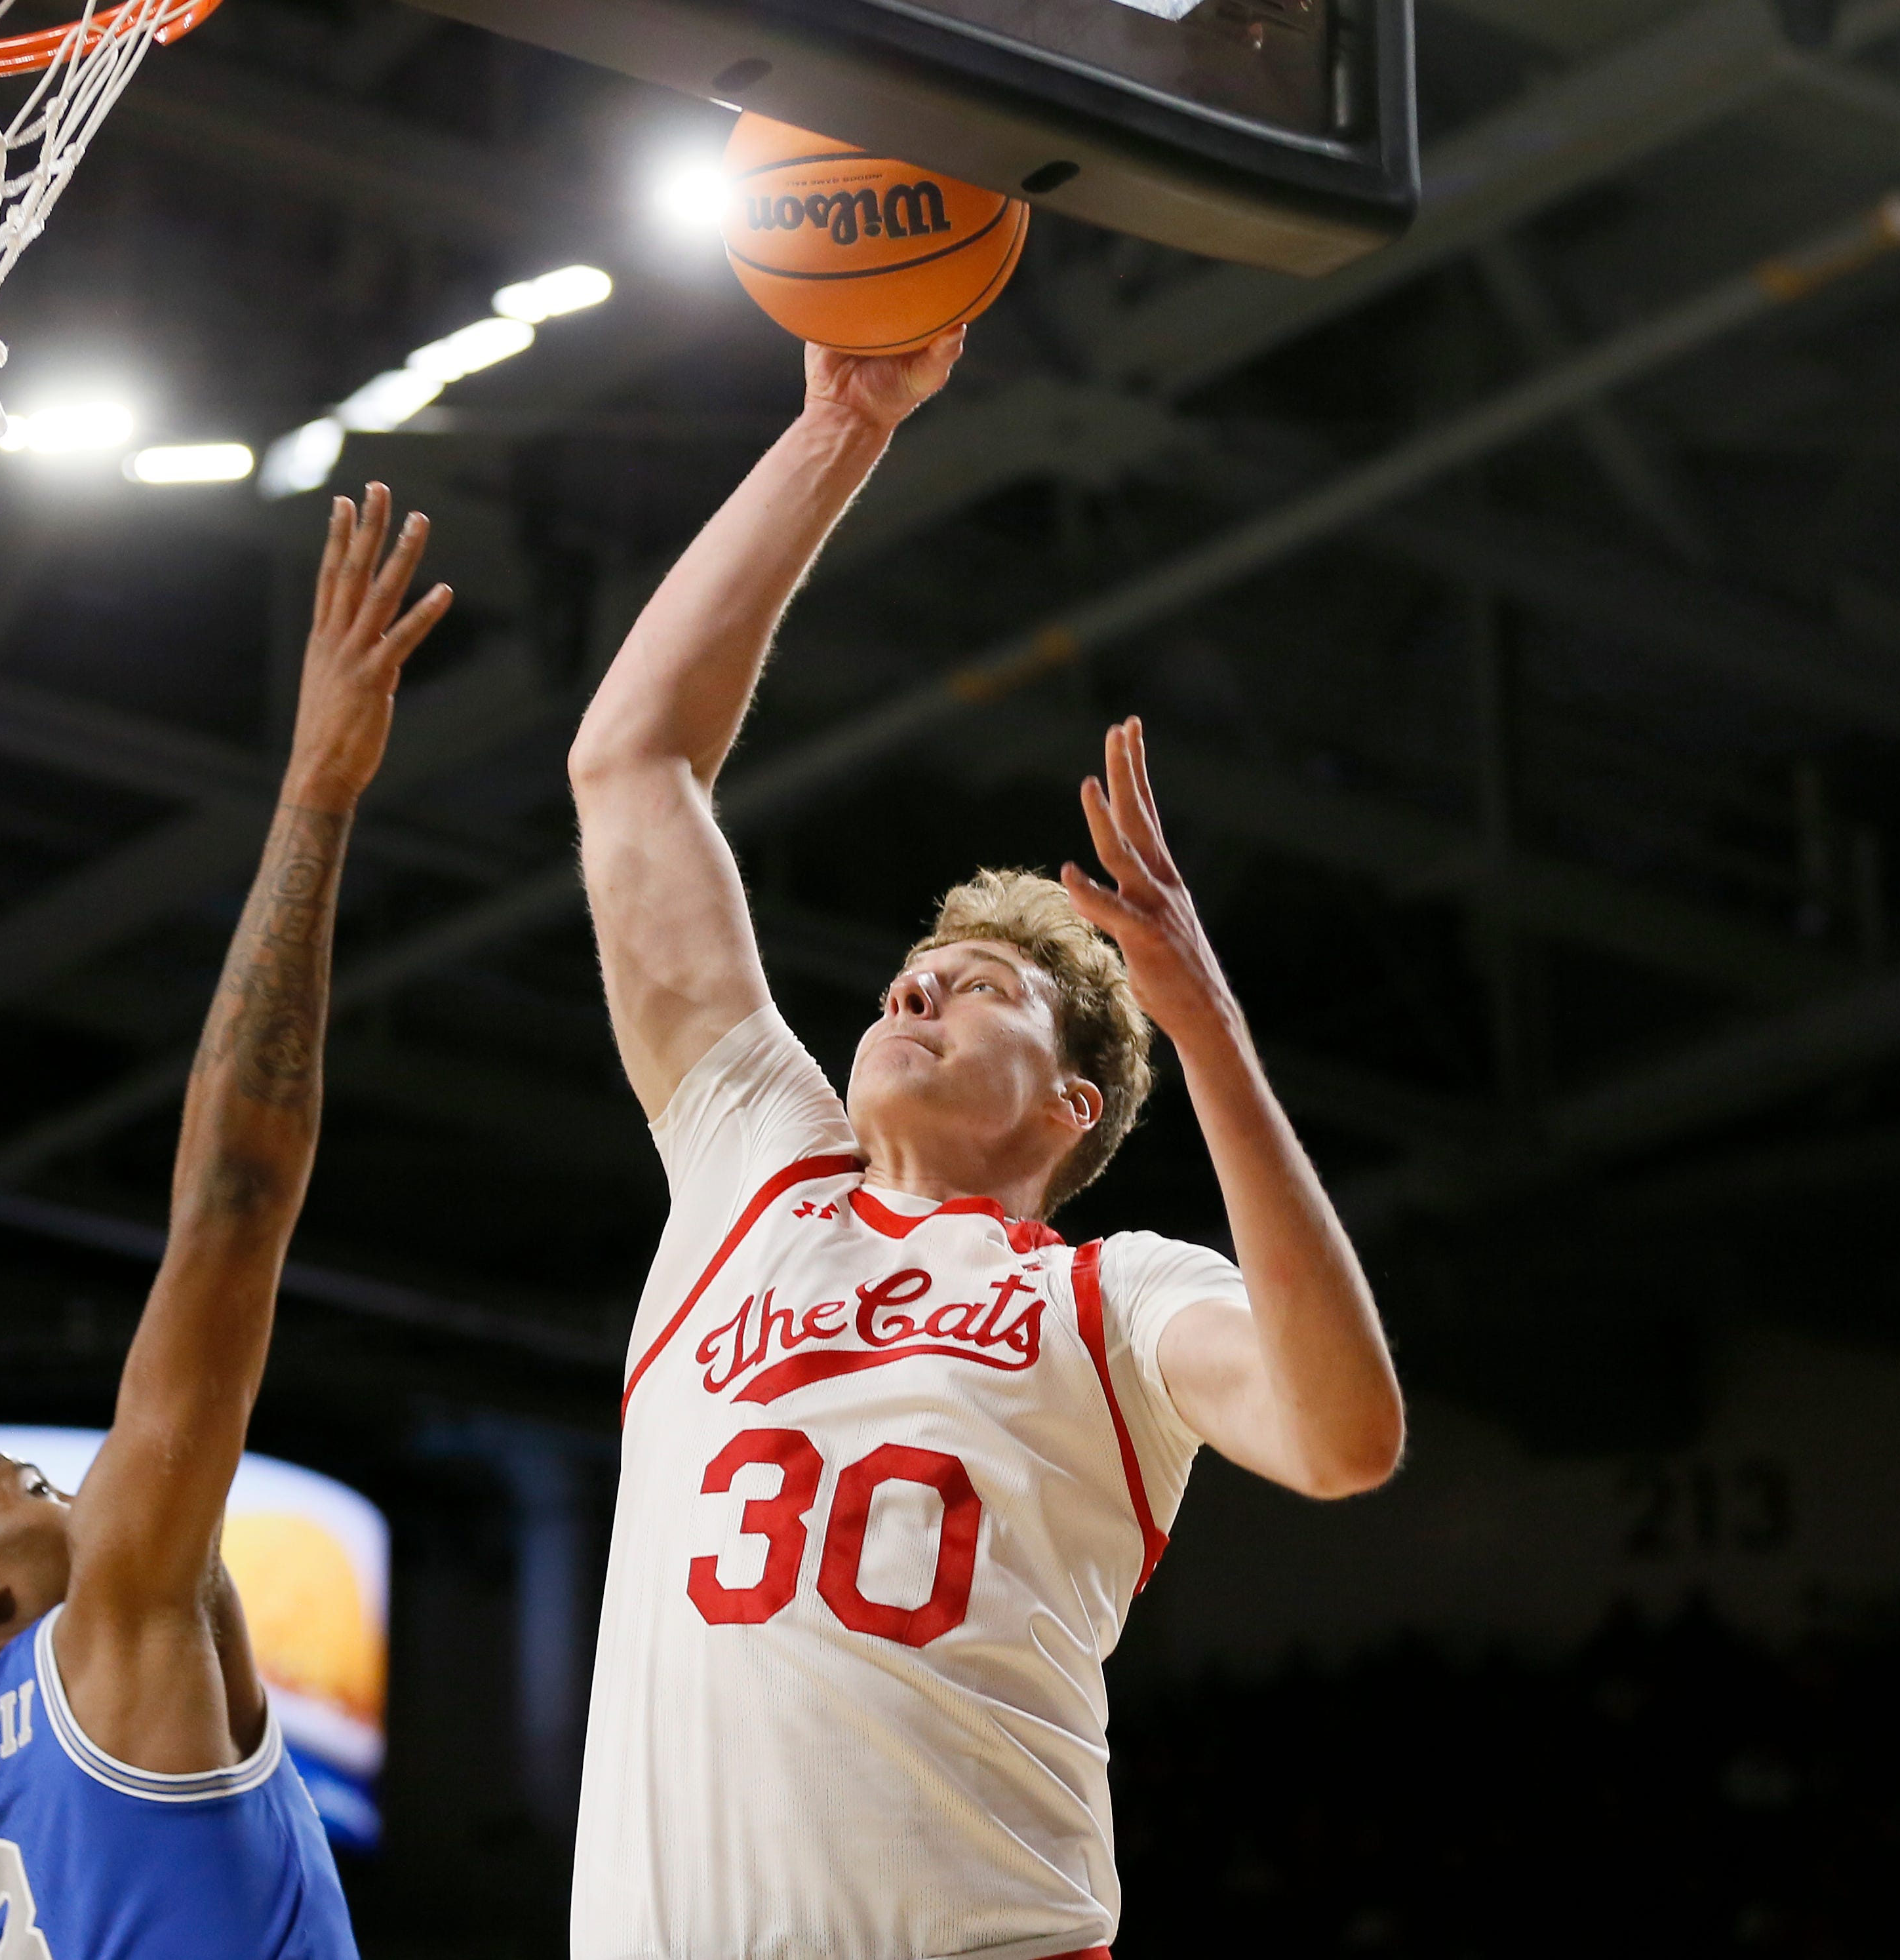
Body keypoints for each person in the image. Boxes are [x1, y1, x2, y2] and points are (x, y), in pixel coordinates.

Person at [564, 331, 1409, 1960]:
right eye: (912, 970)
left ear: (1069, 1104)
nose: (916, 983)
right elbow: (631, 766)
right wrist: (838, 427)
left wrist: (1207, 1021)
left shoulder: (1114, 1298)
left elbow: (1342, 1435)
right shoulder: (755, 1173)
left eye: (982, 985)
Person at [0, 485, 451, 1960]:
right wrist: (318, 793)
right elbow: (231, 1204)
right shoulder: (100, 1636)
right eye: (25, 1482)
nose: (72, 1488)